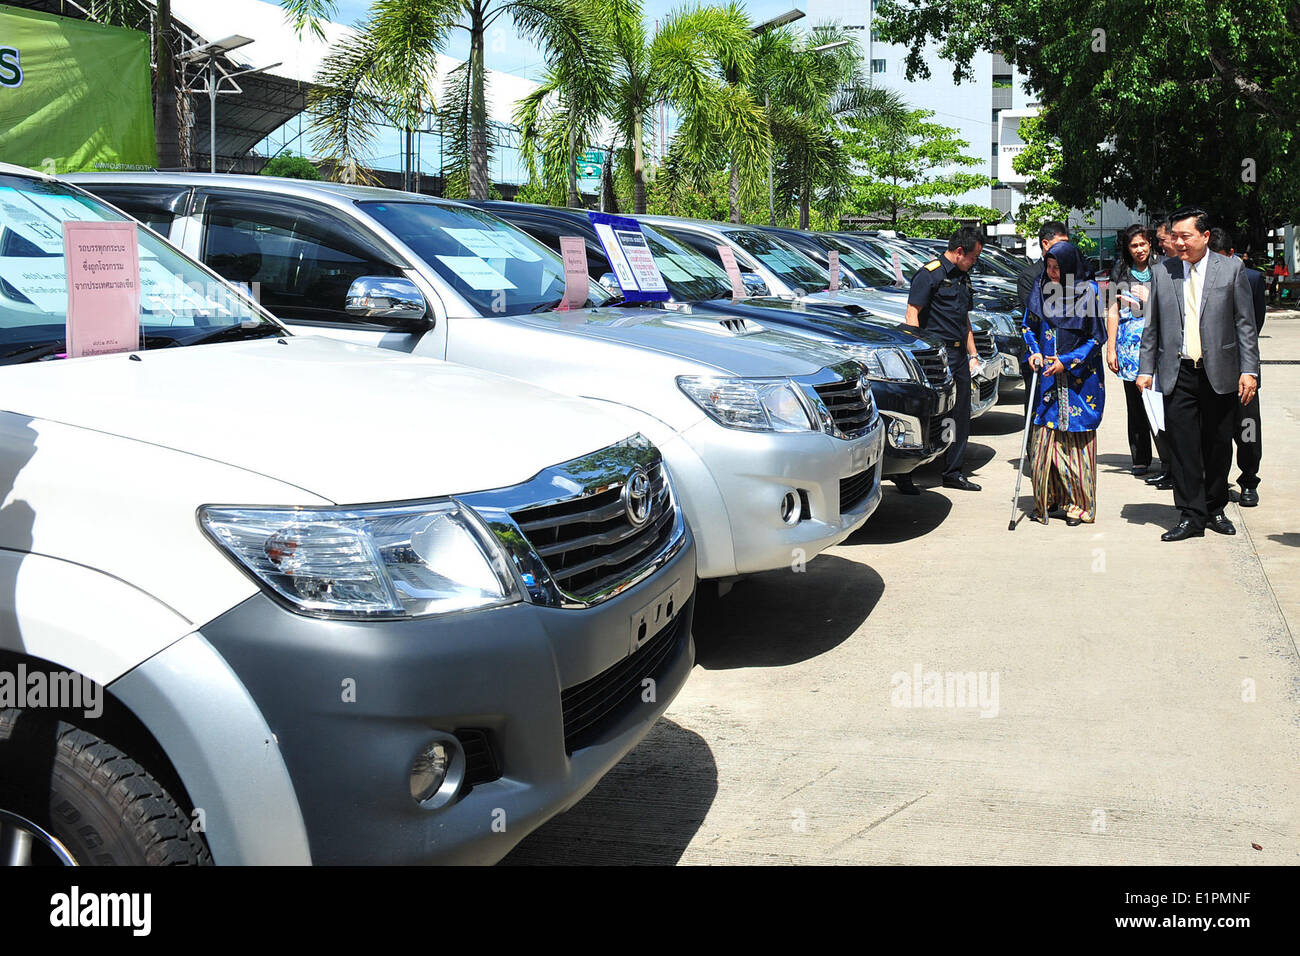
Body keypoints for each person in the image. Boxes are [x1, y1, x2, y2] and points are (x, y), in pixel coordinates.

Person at [1136, 208, 1260, 541]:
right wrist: (1145, 369)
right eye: (1174, 236)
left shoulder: (1232, 269)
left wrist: (1249, 370)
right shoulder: (1163, 272)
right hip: (1178, 371)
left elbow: (1245, 325)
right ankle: (1191, 514)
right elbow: (1153, 327)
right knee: (1183, 446)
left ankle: (1215, 506)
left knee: (1218, 444)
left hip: (1219, 371)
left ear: (1205, 236)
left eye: (1185, 236)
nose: (1178, 242)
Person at [1022, 240, 1106, 525]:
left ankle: (1078, 505)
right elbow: (1028, 327)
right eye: (1049, 266)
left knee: (1075, 444)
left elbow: (1096, 339)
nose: (1053, 272)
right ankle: (1048, 500)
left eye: (1058, 268)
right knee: (1044, 443)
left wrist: (1067, 362)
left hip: (1080, 382)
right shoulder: (1040, 288)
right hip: (1046, 378)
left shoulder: (1088, 291)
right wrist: (1034, 352)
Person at [906, 225, 984, 491]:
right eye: (973, 257)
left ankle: (953, 471)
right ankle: (905, 474)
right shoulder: (930, 275)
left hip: (959, 354)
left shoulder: (963, 277)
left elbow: (965, 320)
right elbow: (912, 315)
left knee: (959, 413)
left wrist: (974, 354)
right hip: (935, 357)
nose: (974, 263)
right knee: (927, 415)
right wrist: (918, 355)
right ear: (960, 251)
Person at [1106, 224, 1173, 482]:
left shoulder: (1164, 268)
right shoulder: (1120, 271)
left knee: (1161, 403)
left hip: (1158, 346)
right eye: (1134, 245)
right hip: (1128, 348)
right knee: (1135, 407)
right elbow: (1112, 309)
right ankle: (1140, 458)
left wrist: (1147, 299)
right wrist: (1111, 348)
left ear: (1150, 244)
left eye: (1143, 244)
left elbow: (1172, 305)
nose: (1140, 249)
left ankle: (1167, 459)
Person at [1208, 227, 1264, 506]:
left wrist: (1248, 368)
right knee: (1216, 431)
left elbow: (1254, 325)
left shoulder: (1253, 279)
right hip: (1211, 369)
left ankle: (1249, 480)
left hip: (1243, 366)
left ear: (1231, 255)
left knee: (1248, 428)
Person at [1017, 221, 1070, 413]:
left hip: (1065, 356)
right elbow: (1033, 320)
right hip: (1038, 352)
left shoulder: (1071, 275)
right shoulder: (1029, 277)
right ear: (1045, 244)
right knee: (1037, 411)